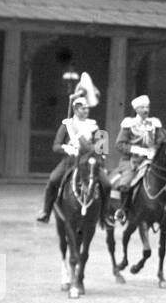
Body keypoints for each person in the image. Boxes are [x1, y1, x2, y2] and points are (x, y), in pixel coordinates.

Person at [36, 71, 115, 225]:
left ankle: (105, 215)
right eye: (81, 108)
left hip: (89, 163)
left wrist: (99, 152)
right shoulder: (67, 125)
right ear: (75, 109)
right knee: (53, 180)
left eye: (86, 108)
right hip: (69, 162)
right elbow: (56, 146)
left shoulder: (94, 125)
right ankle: (46, 211)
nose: (85, 111)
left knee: (107, 184)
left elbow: (102, 148)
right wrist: (67, 148)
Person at [112, 95, 164, 224]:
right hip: (131, 161)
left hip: (151, 160)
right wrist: (139, 150)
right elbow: (120, 144)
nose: (146, 110)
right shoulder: (129, 124)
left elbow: (161, 141)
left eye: (147, 107)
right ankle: (123, 210)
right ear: (136, 109)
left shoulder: (154, 124)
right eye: (142, 107)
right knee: (125, 183)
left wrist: (155, 151)